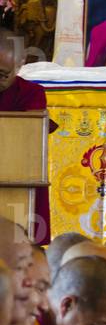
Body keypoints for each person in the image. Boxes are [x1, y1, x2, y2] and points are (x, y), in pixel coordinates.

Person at [0, 32, 53, 244]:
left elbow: (29, 135)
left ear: (20, 64)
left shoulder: (31, 93)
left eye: (3, 74)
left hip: (20, 179)